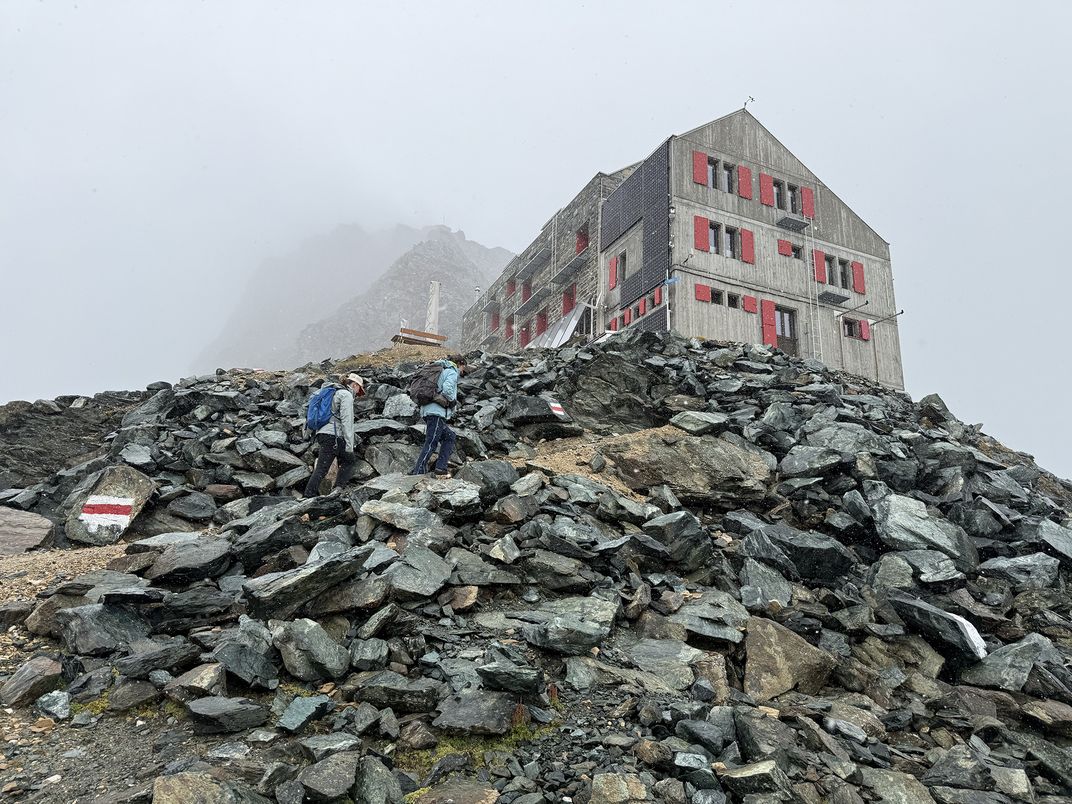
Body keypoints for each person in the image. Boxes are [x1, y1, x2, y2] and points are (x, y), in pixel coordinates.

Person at [303, 373, 366, 497]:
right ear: (354, 385)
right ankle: (329, 492)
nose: (358, 393)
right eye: (359, 389)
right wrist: (349, 445)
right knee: (347, 461)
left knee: (323, 467)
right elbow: (347, 422)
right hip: (334, 436)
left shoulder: (330, 392)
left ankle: (312, 495)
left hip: (322, 433)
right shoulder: (346, 395)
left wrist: (307, 434)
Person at [410, 355, 467, 477]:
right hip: (436, 413)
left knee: (450, 436)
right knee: (431, 442)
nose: (462, 372)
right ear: (460, 364)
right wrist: (452, 402)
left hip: (428, 411)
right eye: (463, 368)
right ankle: (418, 471)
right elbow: (447, 390)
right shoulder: (451, 371)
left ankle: (441, 467)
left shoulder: (439, 370)